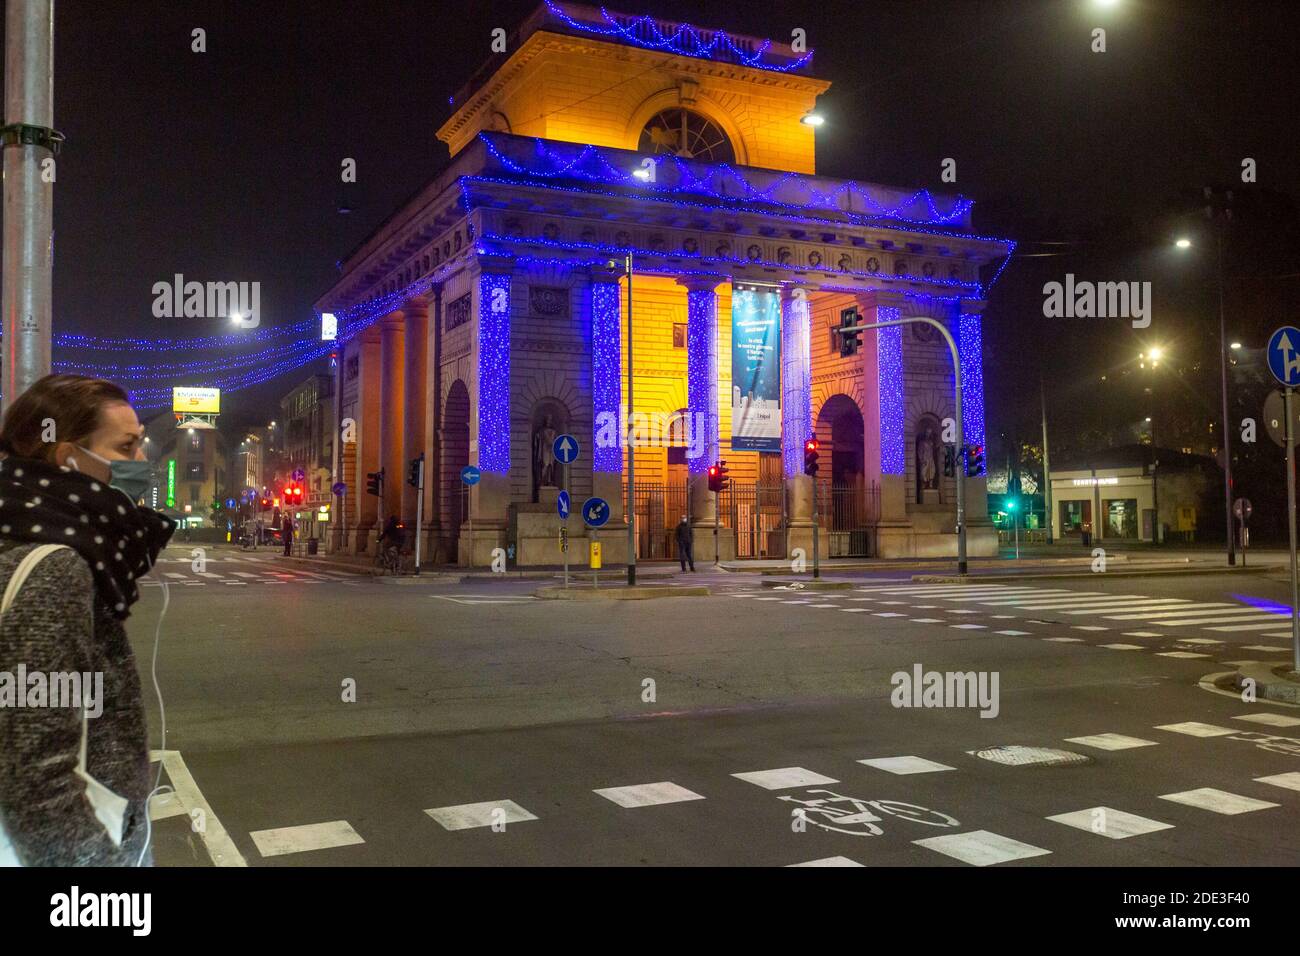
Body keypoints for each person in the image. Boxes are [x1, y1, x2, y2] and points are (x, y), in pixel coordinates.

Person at [0, 374, 174, 866]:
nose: (142, 463)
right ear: (68, 458)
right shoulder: (53, 566)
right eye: (127, 446)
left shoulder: (20, 528)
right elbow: (37, 779)